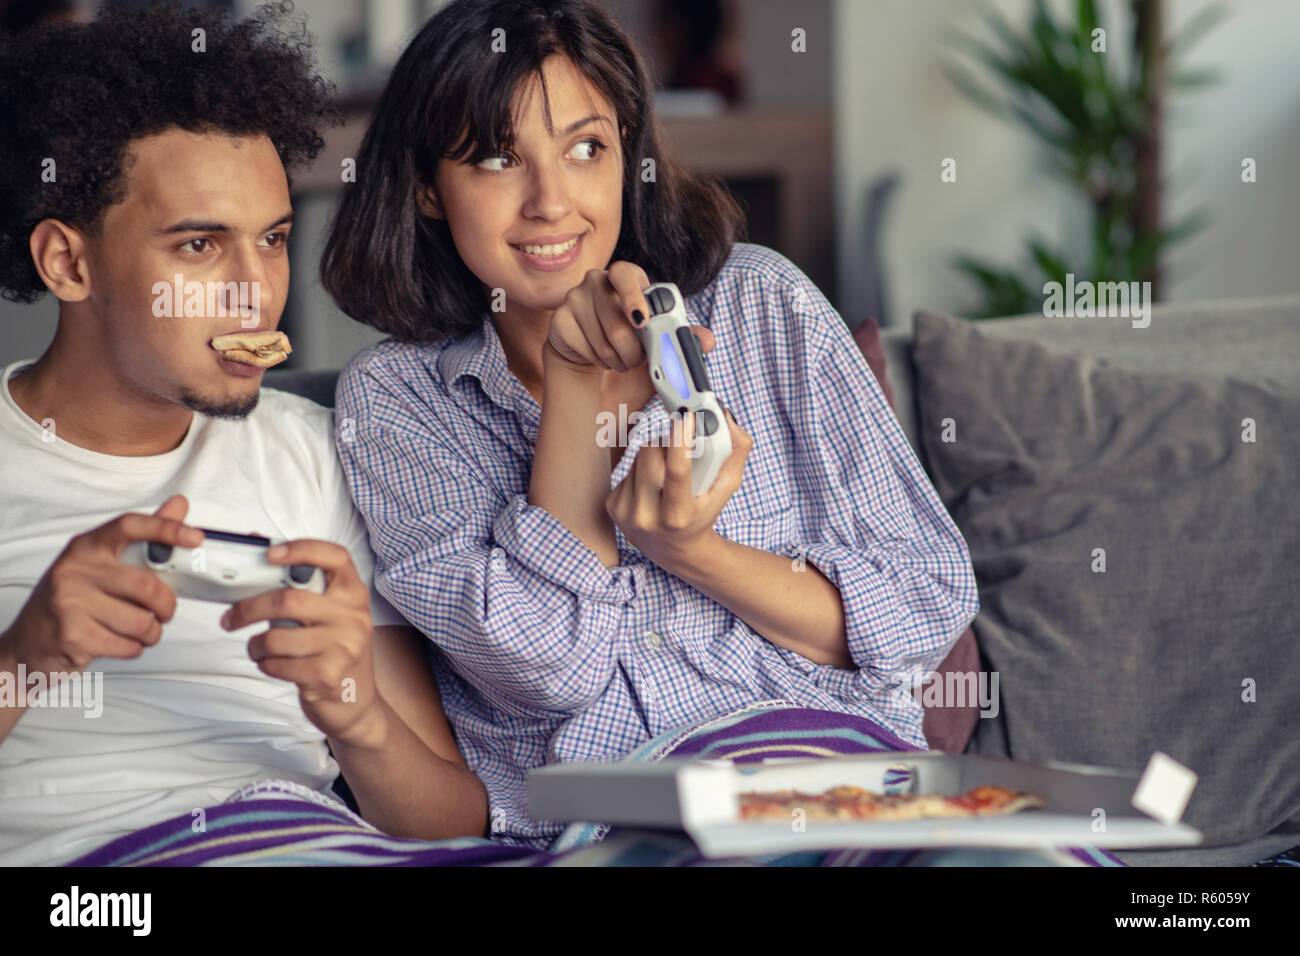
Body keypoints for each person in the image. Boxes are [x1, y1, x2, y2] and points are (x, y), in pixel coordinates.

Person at [321, 0, 979, 849]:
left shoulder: (761, 303)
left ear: (627, 157)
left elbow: (929, 601)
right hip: (620, 821)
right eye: (496, 158)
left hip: (848, 783)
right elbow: (550, 664)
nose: (551, 202)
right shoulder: (397, 403)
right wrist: (574, 391)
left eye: (586, 148)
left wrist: (694, 552)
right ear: (426, 189)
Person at [0, 3, 487, 866]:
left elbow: (452, 829)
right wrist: (27, 656)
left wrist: (356, 714)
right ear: (68, 263)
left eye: (271, 240)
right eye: (198, 247)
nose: (254, 292)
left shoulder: (315, 452)